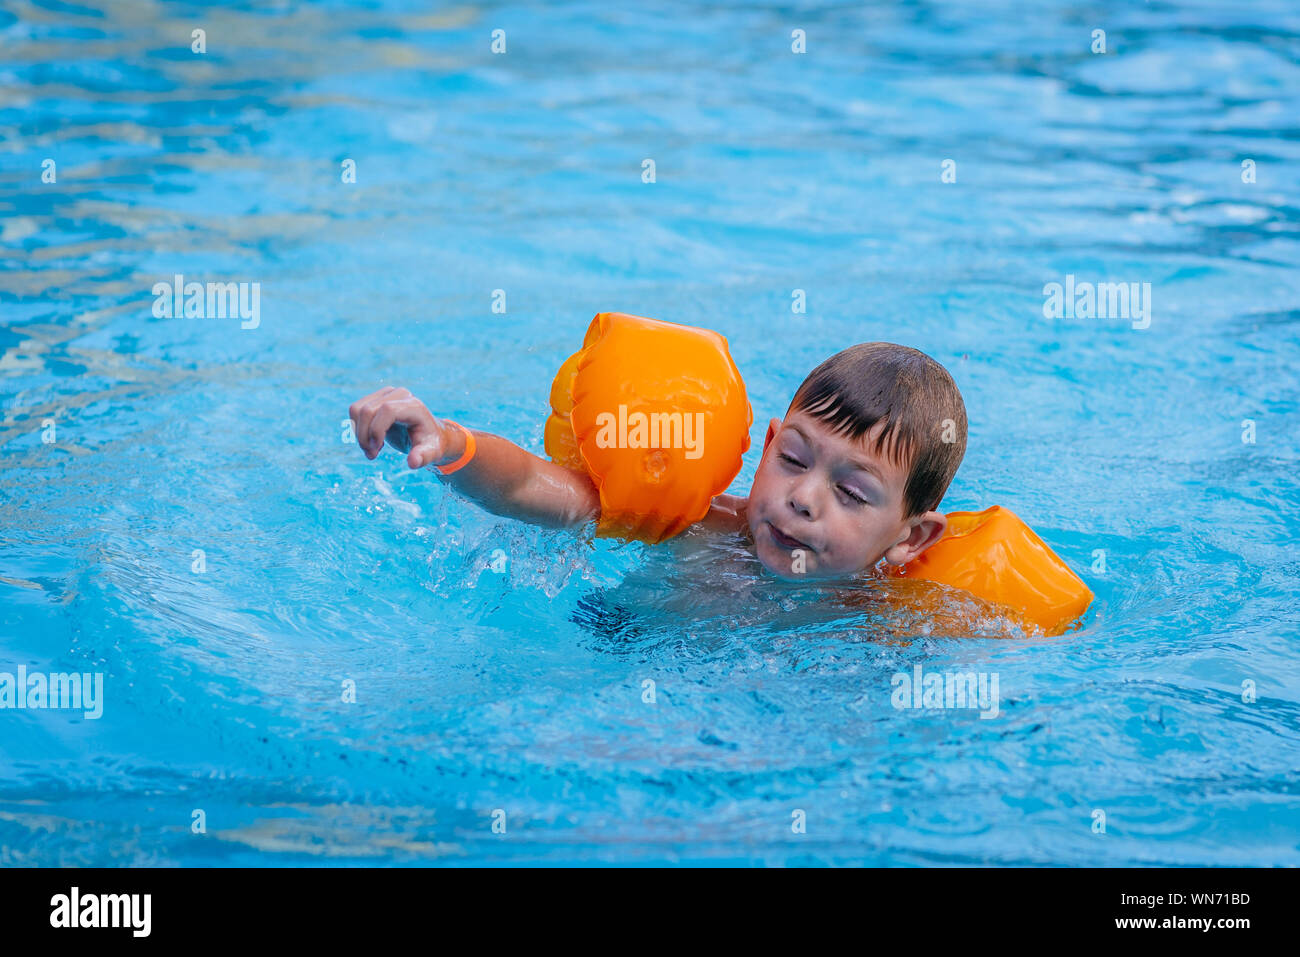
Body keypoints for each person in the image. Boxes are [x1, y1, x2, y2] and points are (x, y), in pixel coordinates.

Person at [347, 342, 967, 583]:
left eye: (853, 493)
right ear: (769, 440)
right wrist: (450, 444)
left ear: (912, 538)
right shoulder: (696, 525)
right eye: (794, 457)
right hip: (621, 660)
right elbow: (541, 489)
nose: (803, 496)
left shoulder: (901, 618)